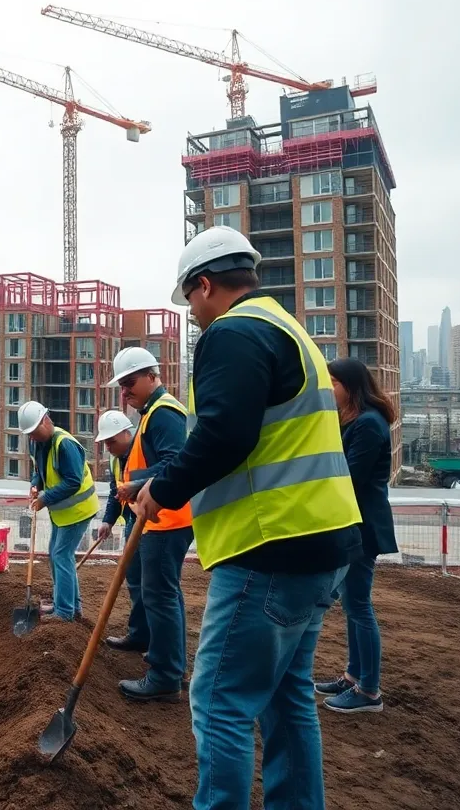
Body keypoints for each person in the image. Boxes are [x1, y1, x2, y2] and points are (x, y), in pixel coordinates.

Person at [132, 226, 362, 810]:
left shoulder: (232, 333)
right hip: (322, 541)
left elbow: (224, 434)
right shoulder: (289, 330)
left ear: (205, 285)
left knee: (219, 700)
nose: (192, 313)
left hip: (271, 545)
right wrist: (161, 480)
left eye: (190, 299)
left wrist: (166, 489)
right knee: (287, 698)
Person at [102, 347, 195, 702]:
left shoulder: (164, 413)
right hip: (156, 517)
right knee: (159, 592)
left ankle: (166, 675)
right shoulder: (150, 413)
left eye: (130, 383)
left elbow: (177, 462)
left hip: (167, 519)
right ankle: (154, 648)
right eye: (122, 386)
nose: (125, 391)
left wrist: (136, 484)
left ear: (153, 376)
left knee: (160, 595)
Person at [314, 358, 399, 714]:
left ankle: (369, 691)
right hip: (354, 522)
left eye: (332, 382)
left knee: (359, 605)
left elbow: (350, 475)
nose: (328, 388)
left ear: (350, 386)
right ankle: (354, 675)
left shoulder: (367, 423)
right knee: (352, 603)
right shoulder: (353, 419)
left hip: (363, 525)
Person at [20, 401, 99, 623]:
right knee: (56, 554)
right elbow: (39, 471)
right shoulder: (36, 443)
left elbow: (73, 482)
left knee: (61, 555)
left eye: (34, 431)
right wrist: (35, 485)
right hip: (62, 512)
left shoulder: (65, 445)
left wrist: (45, 498)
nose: (32, 436)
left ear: (46, 420)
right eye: (29, 433)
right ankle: (71, 605)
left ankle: (64, 612)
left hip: (79, 509)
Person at [94, 410, 145, 653]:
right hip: (133, 521)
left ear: (126, 433)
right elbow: (116, 493)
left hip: (152, 521)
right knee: (134, 578)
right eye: (105, 442)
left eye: (111, 441)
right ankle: (140, 635)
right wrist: (108, 521)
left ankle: (155, 642)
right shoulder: (116, 460)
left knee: (153, 586)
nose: (108, 447)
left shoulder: (142, 451)